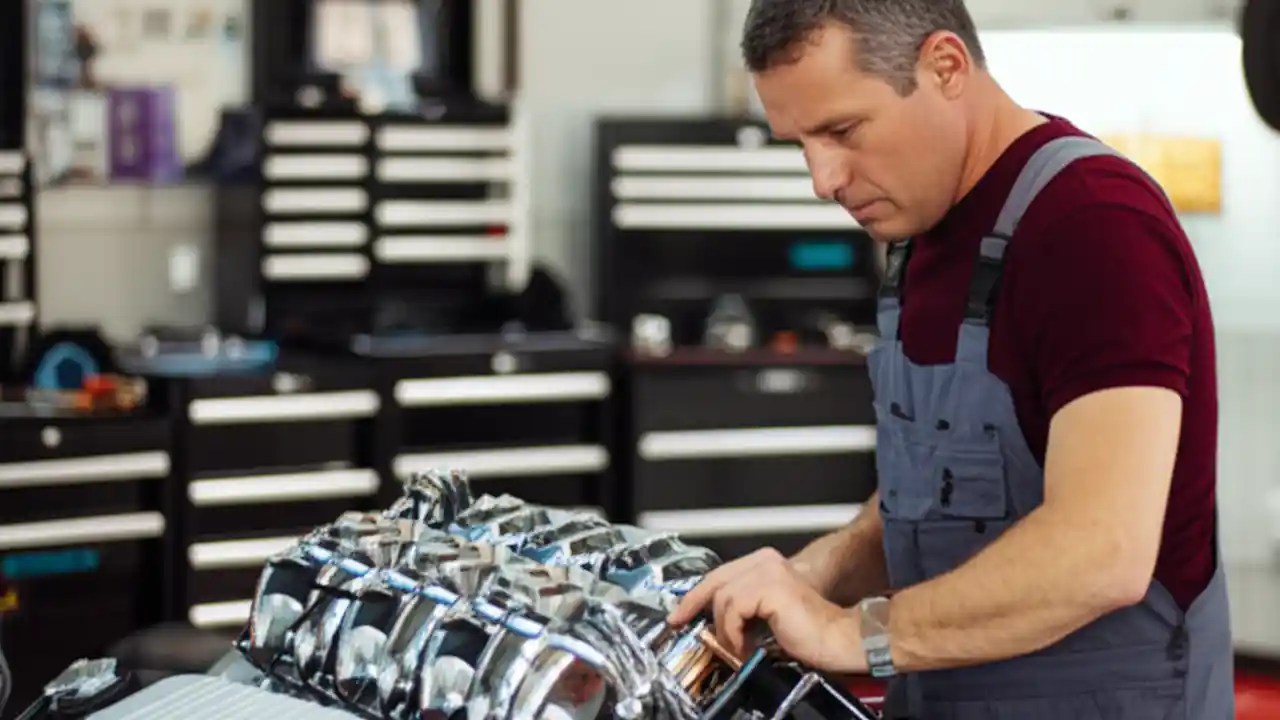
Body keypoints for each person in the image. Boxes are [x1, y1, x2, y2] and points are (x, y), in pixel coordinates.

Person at [667, 1, 1233, 718]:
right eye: (800, 142)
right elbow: (933, 495)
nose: (823, 178)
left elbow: (1103, 550)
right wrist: (810, 576)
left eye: (843, 130)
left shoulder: (1093, 226)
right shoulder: (924, 236)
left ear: (944, 66)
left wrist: (851, 632)